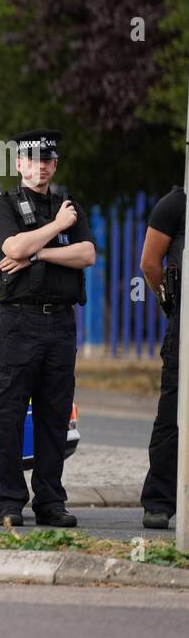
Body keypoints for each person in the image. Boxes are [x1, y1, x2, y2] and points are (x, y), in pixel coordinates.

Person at [0, 129, 96, 527]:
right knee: (10, 414)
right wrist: (53, 231)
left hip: (60, 324)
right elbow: (12, 248)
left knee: (53, 416)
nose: (42, 167)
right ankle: (9, 503)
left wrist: (38, 253)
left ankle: (50, 502)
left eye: (48, 160)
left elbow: (86, 253)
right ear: (19, 165)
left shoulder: (69, 206)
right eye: (33, 160)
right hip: (18, 321)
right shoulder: (3, 205)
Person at [137, 185, 183, 529]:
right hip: (184, 327)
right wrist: (168, 304)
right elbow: (150, 264)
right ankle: (158, 502)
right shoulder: (176, 203)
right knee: (172, 415)